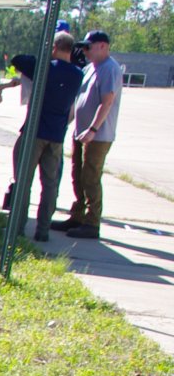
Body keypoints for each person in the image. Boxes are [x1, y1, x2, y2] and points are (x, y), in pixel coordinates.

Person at [3, 34, 83, 241]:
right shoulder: (77, 74)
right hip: (56, 135)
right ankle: (43, 229)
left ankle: (17, 226)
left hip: (34, 132)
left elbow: (18, 59)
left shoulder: (45, 67)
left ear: (54, 47)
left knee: (23, 182)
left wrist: (45, 54)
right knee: (50, 184)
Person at [57, 30, 123, 240]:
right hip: (81, 132)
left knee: (91, 177)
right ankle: (77, 216)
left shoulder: (109, 69)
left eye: (89, 47)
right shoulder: (89, 68)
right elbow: (80, 99)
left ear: (103, 46)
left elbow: (107, 100)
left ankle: (92, 222)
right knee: (77, 175)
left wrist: (93, 129)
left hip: (98, 135)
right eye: (83, 47)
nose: (84, 51)